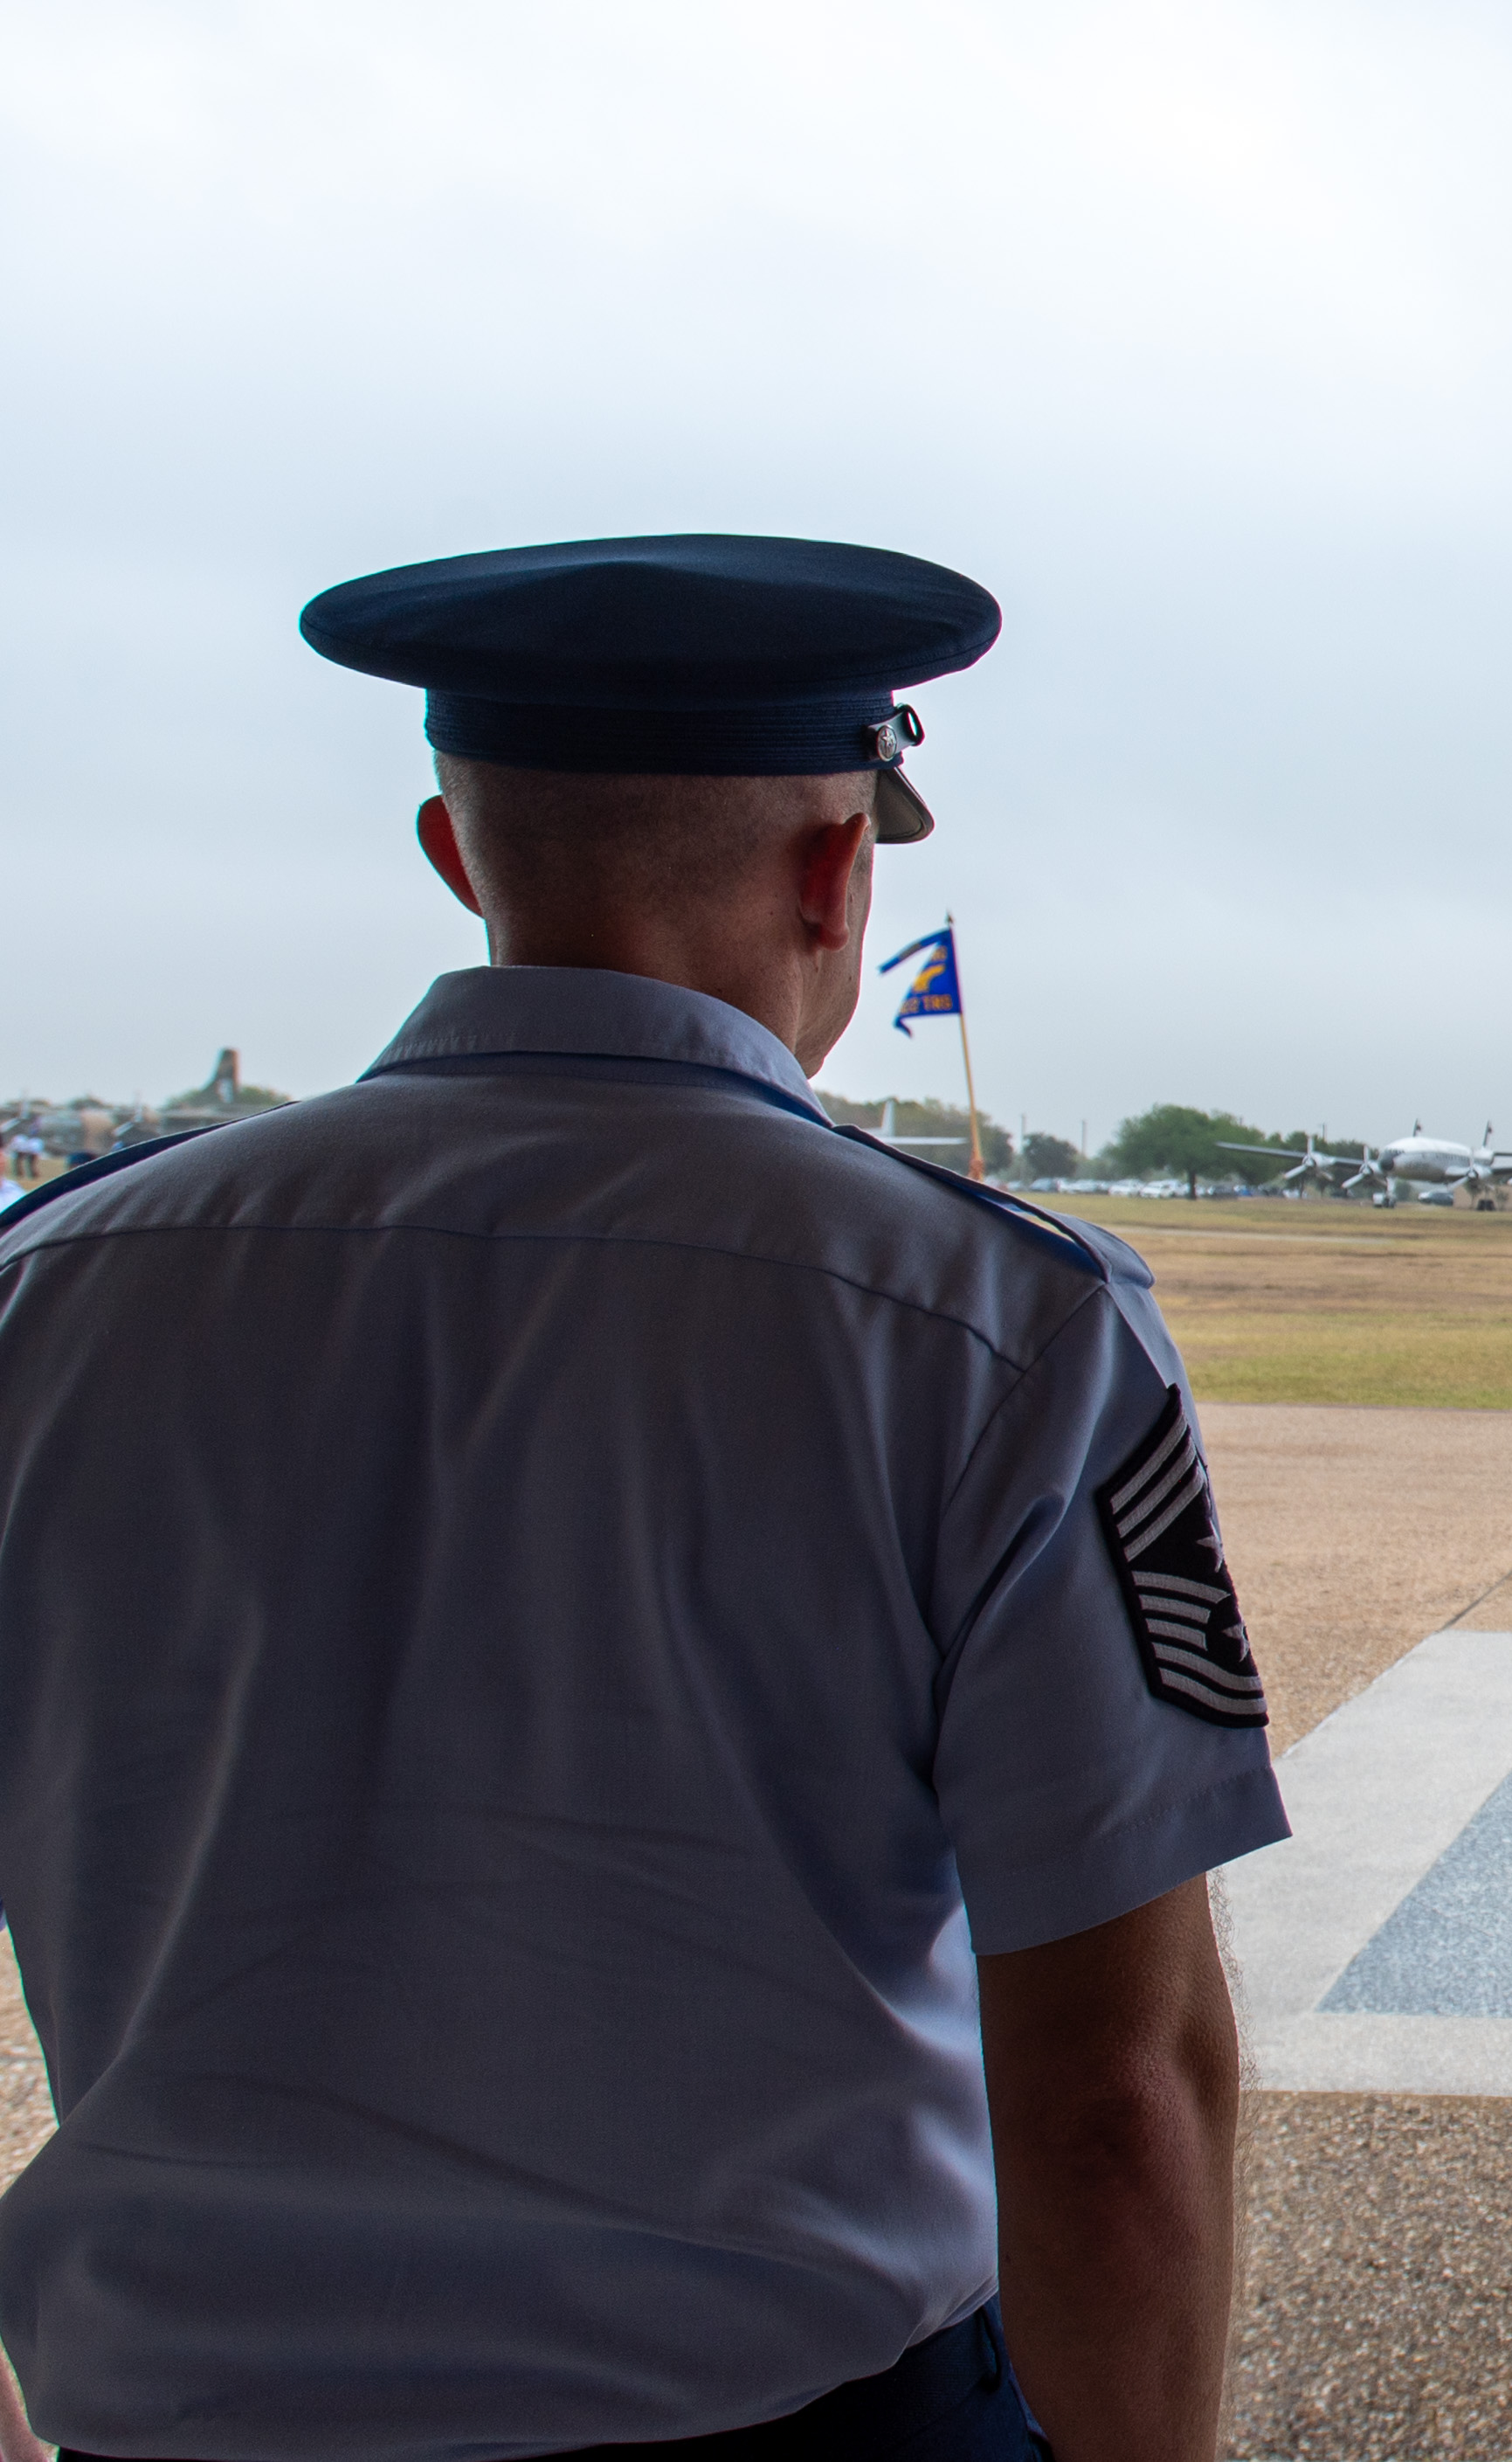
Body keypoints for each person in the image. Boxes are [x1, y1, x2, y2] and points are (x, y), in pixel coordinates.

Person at [0, 536, 1283, 2462]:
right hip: (803, 2414)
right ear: (838, 869)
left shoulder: (50, 1289)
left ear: (455, 851)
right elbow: (1114, 2086)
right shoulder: (997, 1325)